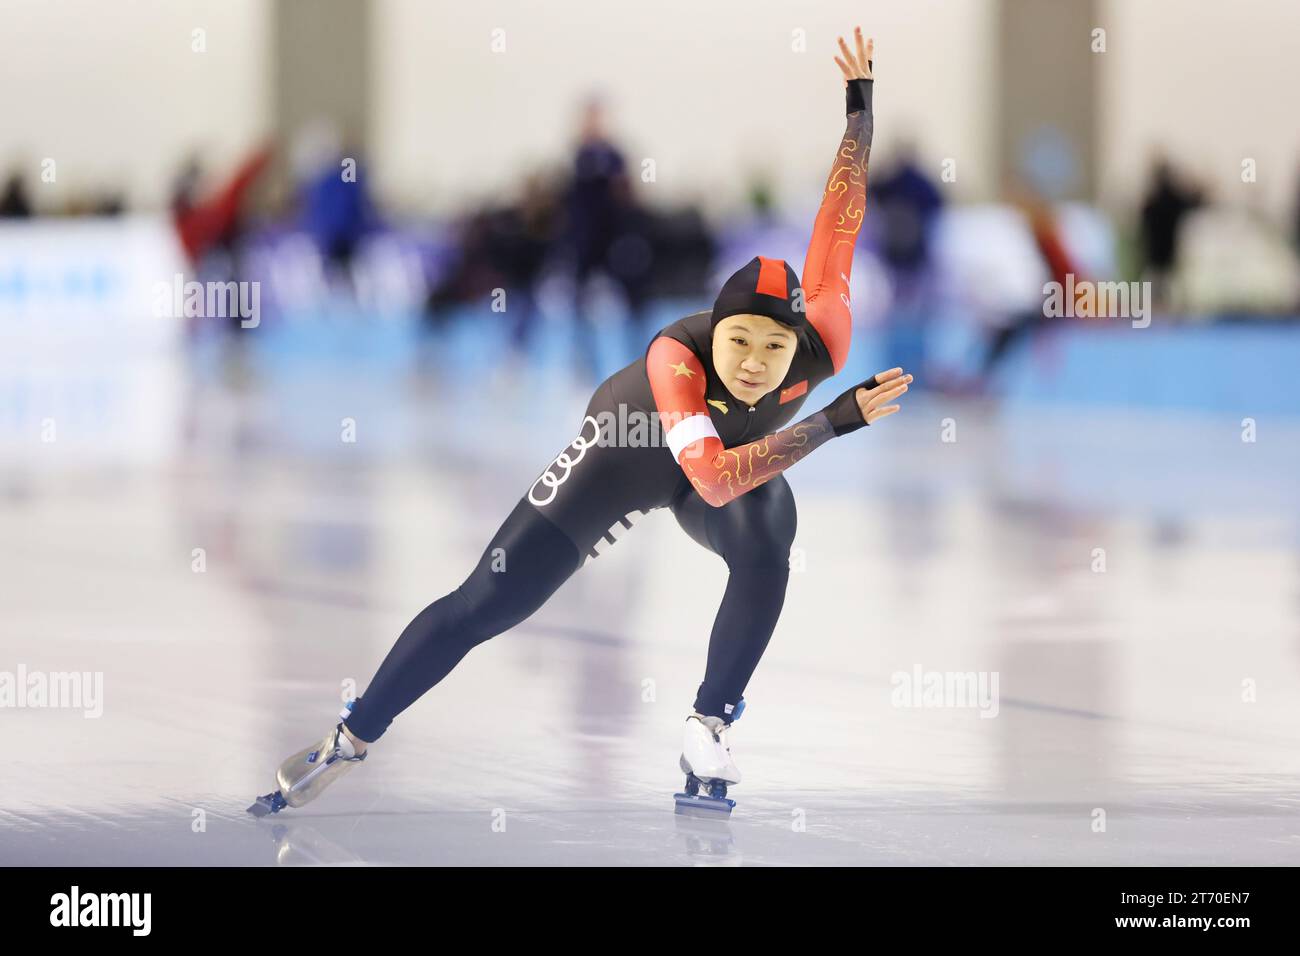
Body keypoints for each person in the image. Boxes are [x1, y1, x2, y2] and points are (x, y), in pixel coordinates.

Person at [249, 27, 912, 817]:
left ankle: (709, 725)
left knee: (770, 546)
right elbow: (705, 472)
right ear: (714, 329)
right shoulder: (676, 356)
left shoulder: (826, 335)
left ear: (800, 339)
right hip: (624, 450)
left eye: (773, 347)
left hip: (728, 461)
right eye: (739, 340)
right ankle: (350, 738)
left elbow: (839, 223)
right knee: (485, 605)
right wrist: (836, 421)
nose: (753, 362)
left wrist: (859, 113)